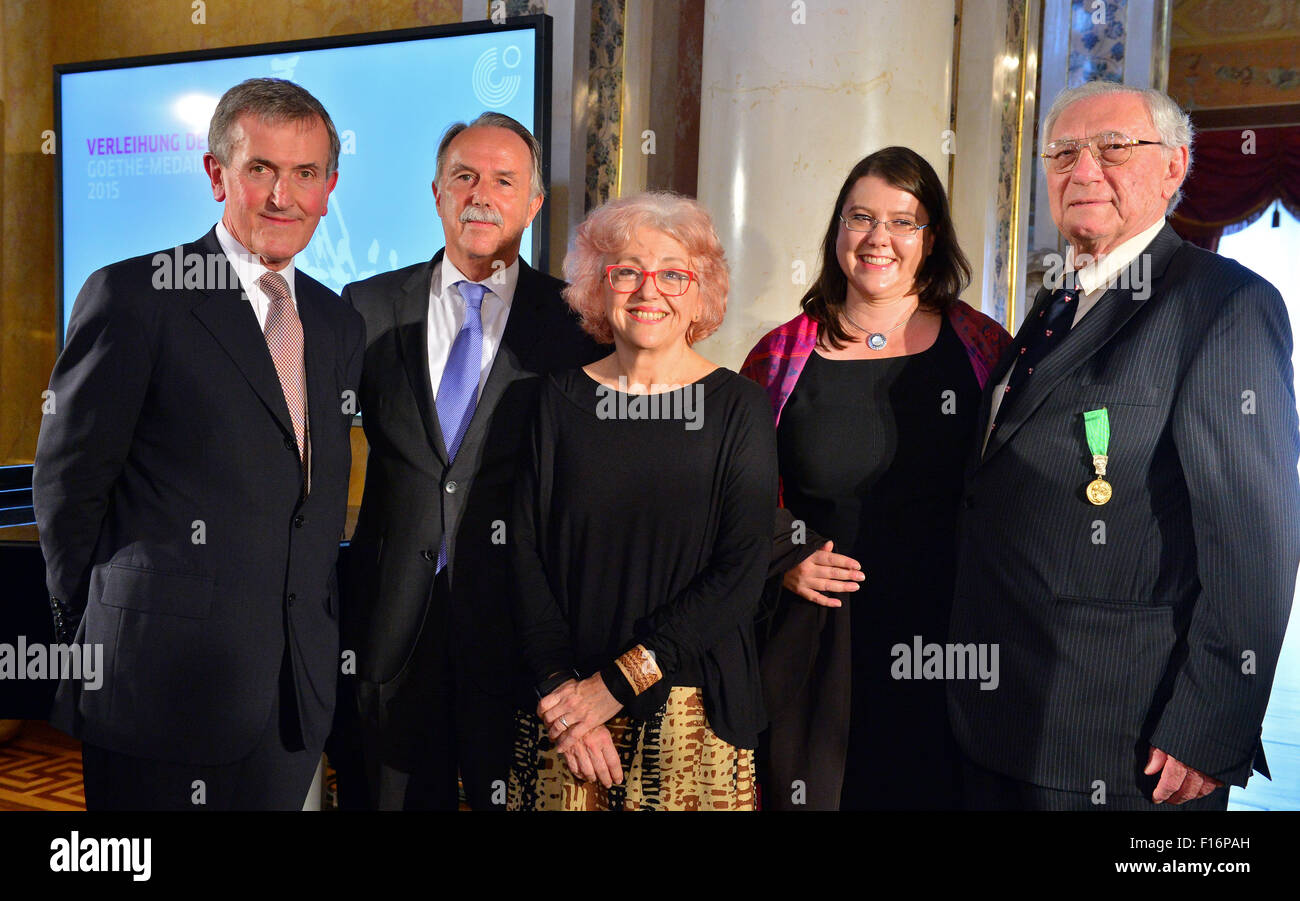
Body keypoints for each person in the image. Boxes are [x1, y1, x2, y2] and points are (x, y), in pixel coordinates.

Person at [948, 81, 1300, 810]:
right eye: (1064, 153)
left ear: (1175, 167)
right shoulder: (1055, 303)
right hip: (1001, 713)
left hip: (1121, 736)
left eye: (1113, 148)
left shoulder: (1222, 304)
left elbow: (1254, 537)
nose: (1083, 171)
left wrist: (1211, 724)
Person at [33, 78, 363, 810]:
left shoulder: (338, 323)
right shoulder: (135, 294)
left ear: (329, 187)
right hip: (155, 688)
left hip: (290, 698)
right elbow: (68, 487)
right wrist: (99, 628)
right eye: (261, 170)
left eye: (305, 174)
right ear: (217, 174)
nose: (284, 196)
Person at [341, 112, 603, 810]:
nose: (481, 194)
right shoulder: (364, 306)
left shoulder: (576, 322)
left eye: (504, 180)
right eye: (465, 176)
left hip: (518, 631)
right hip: (389, 625)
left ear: (533, 203)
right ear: (436, 193)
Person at [741, 147, 1011, 810]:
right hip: (815, 643)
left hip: (950, 642)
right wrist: (785, 557)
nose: (878, 238)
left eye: (903, 221)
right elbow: (732, 495)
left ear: (934, 237)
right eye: (860, 217)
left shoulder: (984, 347)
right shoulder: (779, 355)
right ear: (837, 231)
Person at [507, 191, 777, 811]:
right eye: (626, 270)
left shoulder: (739, 407)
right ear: (598, 287)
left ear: (700, 290)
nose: (647, 290)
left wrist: (614, 686)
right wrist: (564, 693)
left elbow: (740, 572)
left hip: (692, 715)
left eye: (672, 273)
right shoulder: (554, 399)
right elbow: (521, 553)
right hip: (564, 716)